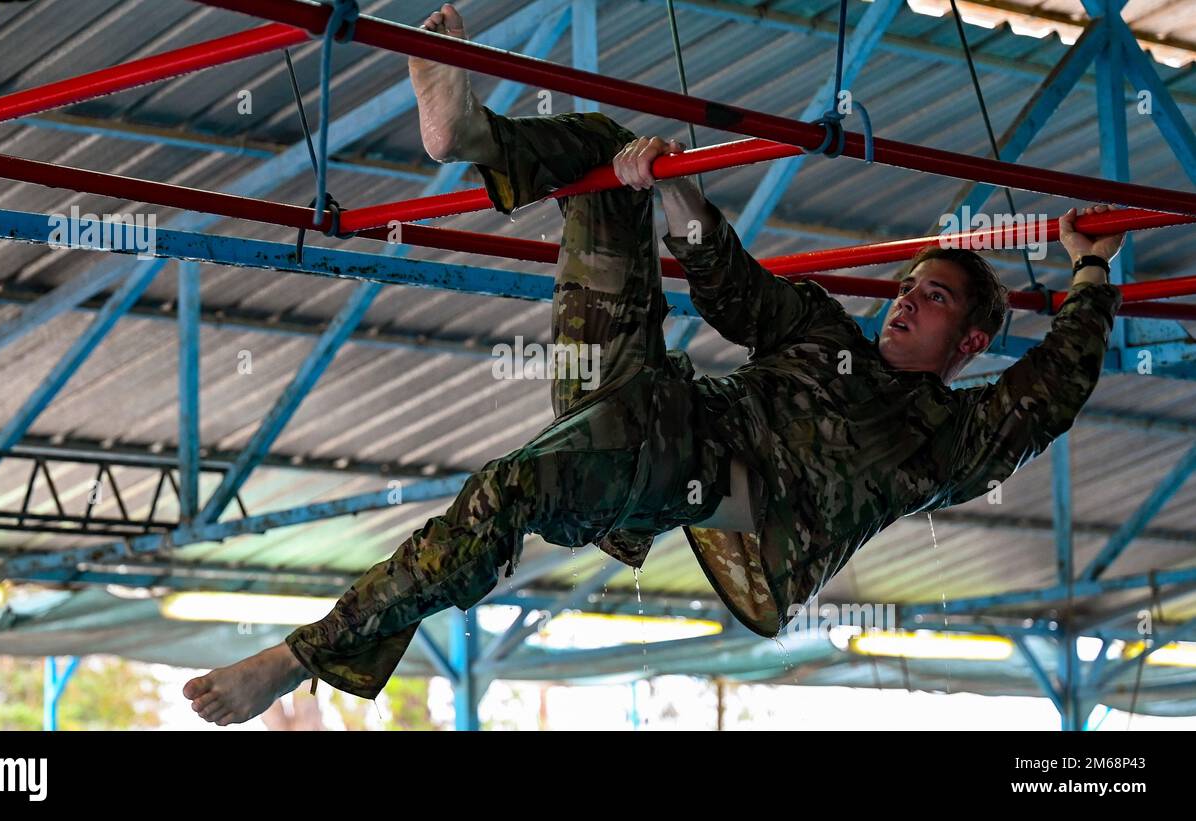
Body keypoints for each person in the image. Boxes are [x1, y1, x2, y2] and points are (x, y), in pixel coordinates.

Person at [183, 4, 1124, 726]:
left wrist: (1090, 273)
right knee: (601, 155)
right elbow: (737, 289)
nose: (908, 300)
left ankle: (302, 656)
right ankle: (473, 139)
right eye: (910, 283)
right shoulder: (827, 334)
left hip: (692, 471)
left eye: (935, 299)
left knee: (503, 493)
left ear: (968, 346)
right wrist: (677, 199)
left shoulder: (949, 440)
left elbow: (1052, 391)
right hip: (641, 395)